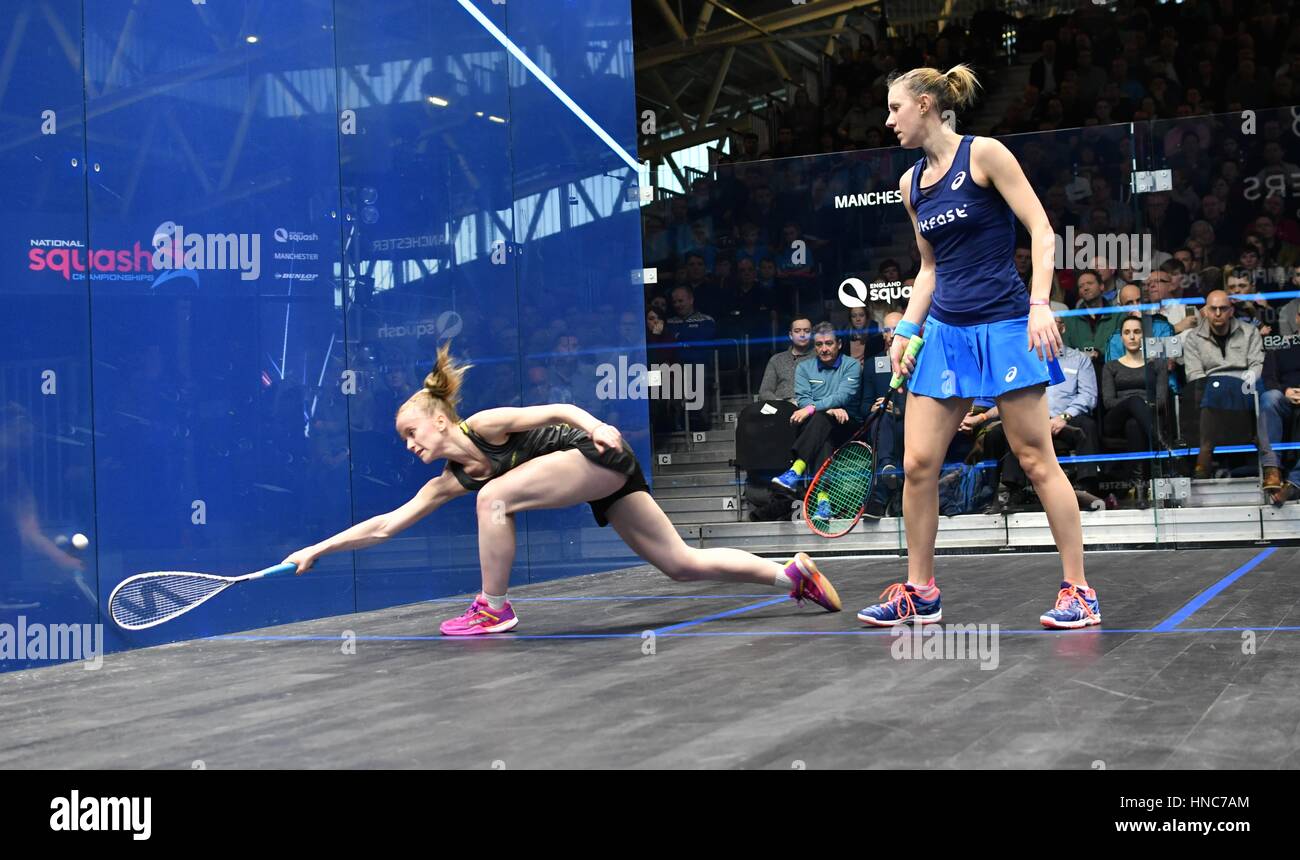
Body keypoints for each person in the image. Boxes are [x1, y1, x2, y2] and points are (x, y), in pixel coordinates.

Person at [283, 344, 842, 635]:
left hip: (593, 453)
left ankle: (493, 609)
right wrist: (316, 549)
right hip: (601, 479)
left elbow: (555, 408)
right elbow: (384, 525)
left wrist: (596, 425)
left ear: (438, 420)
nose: (409, 444)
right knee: (680, 564)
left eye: (411, 433)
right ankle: (788, 575)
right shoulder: (448, 481)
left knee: (492, 498)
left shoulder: (486, 423)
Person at [857, 64, 1098, 630]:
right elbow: (929, 268)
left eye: (894, 108)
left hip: (1008, 324)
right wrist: (908, 332)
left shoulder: (984, 154)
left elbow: (1041, 230)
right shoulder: (910, 185)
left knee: (1037, 459)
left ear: (924, 104)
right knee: (918, 464)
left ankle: (1080, 590)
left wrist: (1040, 303)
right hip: (946, 332)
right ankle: (920, 592)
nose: (887, 120)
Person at [770, 323, 863, 520]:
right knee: (823, 432)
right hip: (820, 426)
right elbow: (803, 398)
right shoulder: (804, 368)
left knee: (821, 420)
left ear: (839, 344)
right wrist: (825, 409)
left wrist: (814, 407)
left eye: (829, 343)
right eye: (819, 344)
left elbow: (843, 397)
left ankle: (796, 470)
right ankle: (823, 502)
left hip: (847, 424)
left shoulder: (852, 365)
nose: (824, 349)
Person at [1102, 317, 1169, 501]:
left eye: (1137, 332)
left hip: (1146, 419)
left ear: (1144, 336)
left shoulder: (1157, 365)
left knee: (1134, 424)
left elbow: (1161, 400)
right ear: (1121, 337)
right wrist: (1136, 403)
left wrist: (1141, 408)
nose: (1132, 337)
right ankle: (1160, 442)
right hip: (1116, 419)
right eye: (1127, 332)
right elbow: (1108, 402)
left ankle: (1140, 486)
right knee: (1134, 402)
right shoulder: (1110, 366)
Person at [757, 318, 814, 403]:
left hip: (809, 407)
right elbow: (764, 392)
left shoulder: (819, 358)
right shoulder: (777, 360)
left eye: (807, 331)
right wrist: (782, 403)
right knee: (750, 412)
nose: (802, 334)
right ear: (791, 335)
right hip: (780, 406)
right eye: (797, 331)